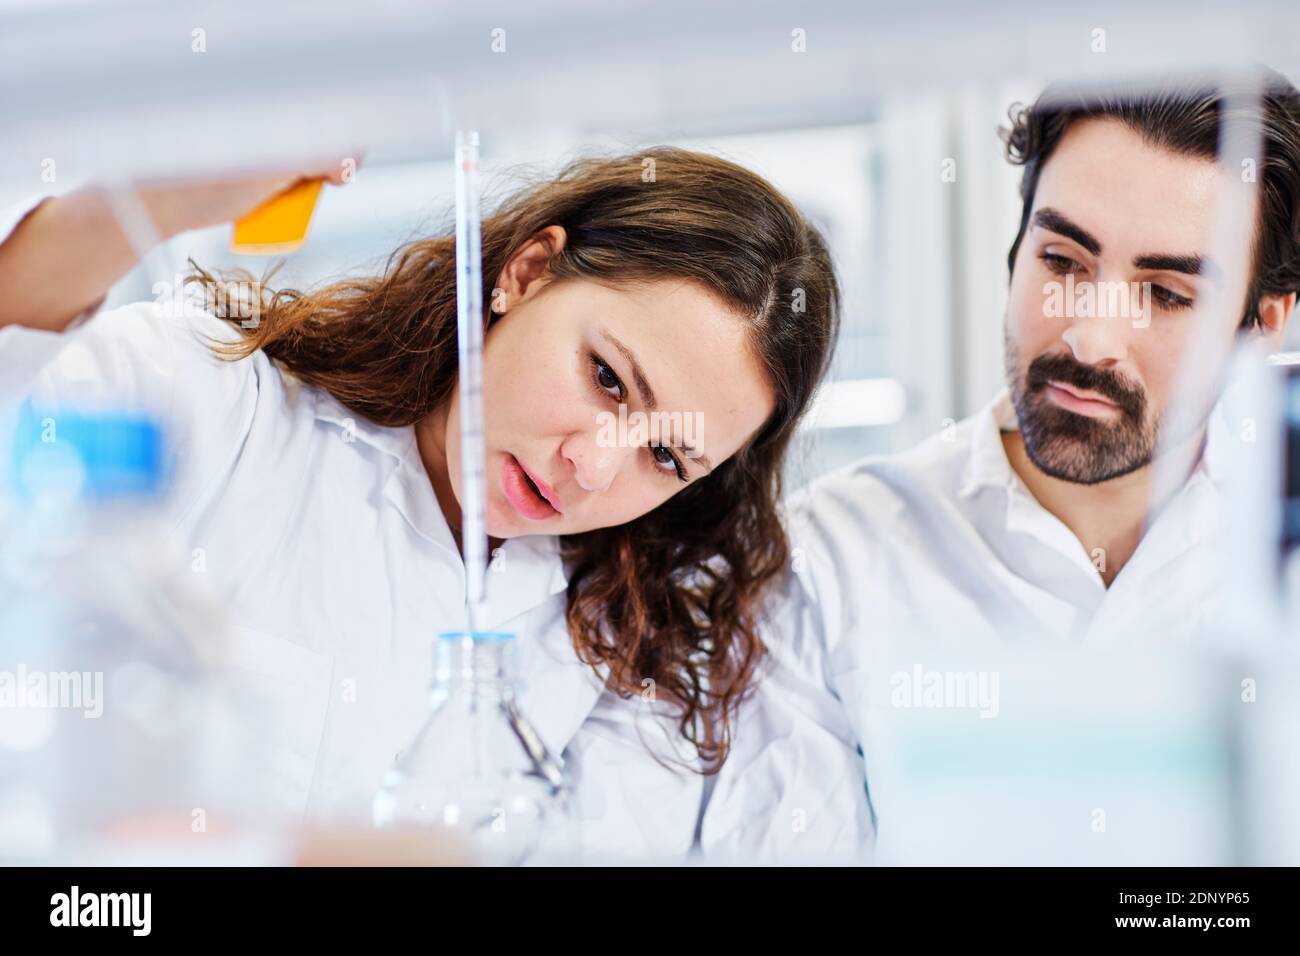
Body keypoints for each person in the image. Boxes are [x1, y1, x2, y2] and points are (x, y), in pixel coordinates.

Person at [0, 147, 871, 862]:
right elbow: (18, 351)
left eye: (665, 455)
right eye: (606, 378)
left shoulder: (624, 644)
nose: (592, 469)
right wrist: (140, 199)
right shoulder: (227, 401)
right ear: (526, 273)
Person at [772, 71, 1300, 850]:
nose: (1089, 339)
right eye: (1062, 262)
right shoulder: (829, 559)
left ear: (1263, 327)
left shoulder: (1277, 562)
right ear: (1015, 251)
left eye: (1163, 293)